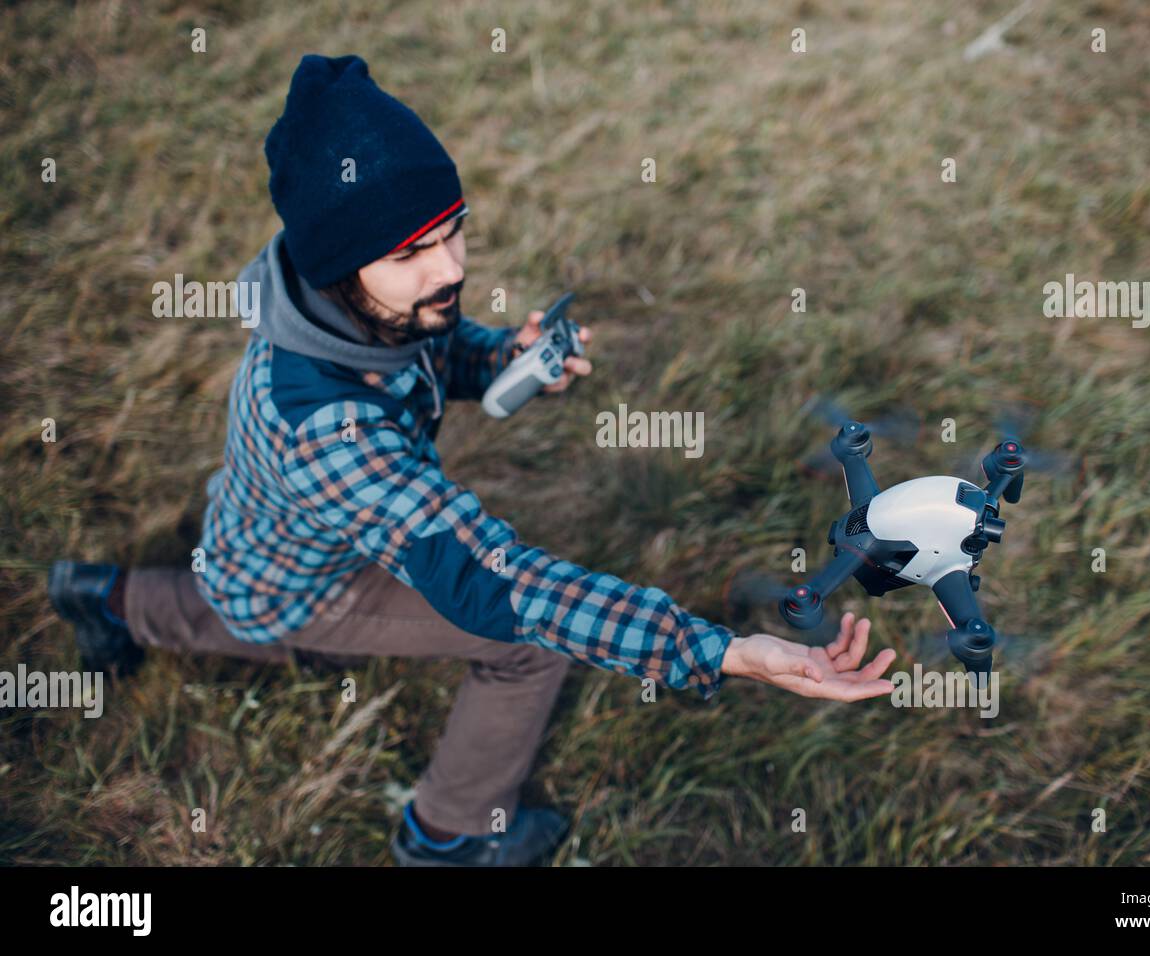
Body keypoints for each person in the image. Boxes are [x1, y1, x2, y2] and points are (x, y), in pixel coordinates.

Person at [47, 54, 896, 868]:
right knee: (524, 646)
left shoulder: (344, 309)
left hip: (264, 537)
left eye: (453, 233)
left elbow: (433, 349)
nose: (450, 270)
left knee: (231, 602)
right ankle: (449, 835)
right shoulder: (330, 435)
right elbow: (504, 590)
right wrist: (723, 652)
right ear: (338, 269)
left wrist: (504, 364)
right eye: (412, 255)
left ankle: (101, 598)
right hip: (308, 579)